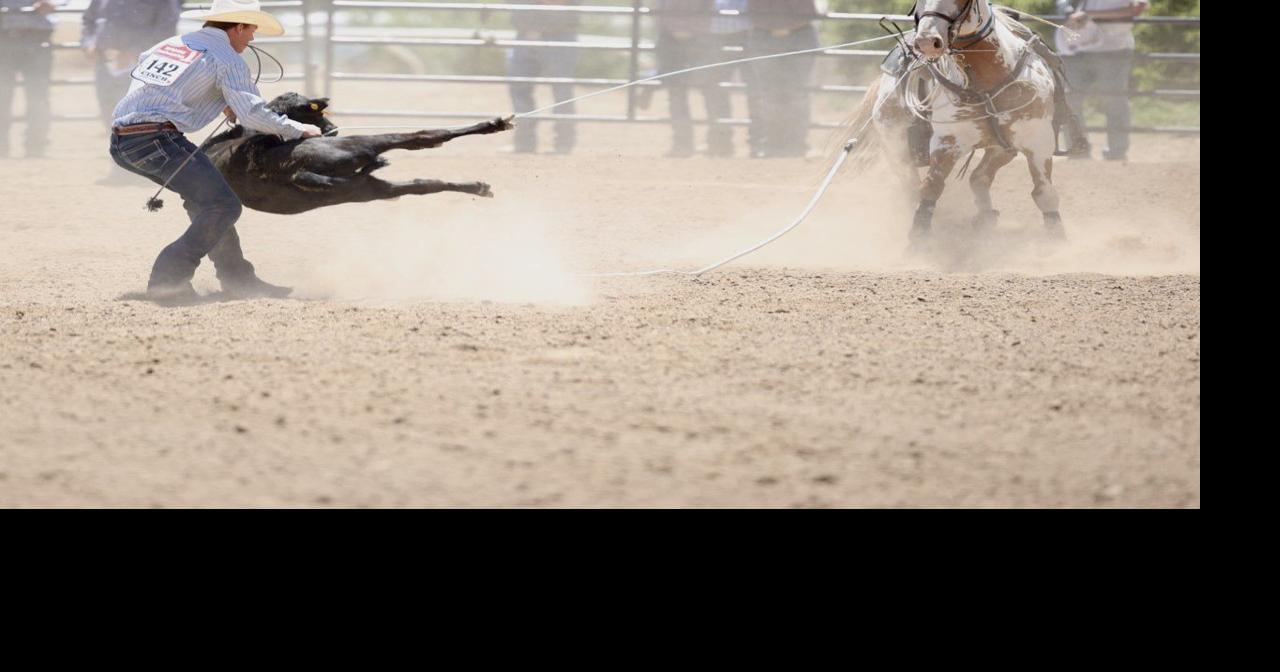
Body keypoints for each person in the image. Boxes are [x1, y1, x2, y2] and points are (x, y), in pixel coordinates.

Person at [110, 0, 322, 302]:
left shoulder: (172, 44)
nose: (252, 39)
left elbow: (158, 85)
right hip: (155, 139)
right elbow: (251, 114)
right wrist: (299, 129)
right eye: (251, 31)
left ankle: (238, 279)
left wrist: (215, 97)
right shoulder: (227, 58)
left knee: (206, 201)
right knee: (223, 206)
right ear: (238, 27)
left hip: (123, 140)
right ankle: (168, 278)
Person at [82, 0, 182, 182]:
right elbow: (89, 20)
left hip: (142, 67)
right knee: (109, 115)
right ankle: (120, 169)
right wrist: (89, 43)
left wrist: (133, 52)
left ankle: (142, 171)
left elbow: (165, 29)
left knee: (138, 119)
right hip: (105, 63)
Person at [1055, 0, 1150, 161]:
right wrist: (1069, 10)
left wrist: (1091, 15)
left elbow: (1138, 7)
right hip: (1077, 48)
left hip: (1114, 48)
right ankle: (1078, 149)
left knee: (1114, 100)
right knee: (1070, 99)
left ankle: (1117, 151)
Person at [653, 0, 732, 157]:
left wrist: (689, 30)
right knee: (677, 95)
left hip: (702, 41)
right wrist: (674, 30)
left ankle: (719, 143)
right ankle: (682, 144)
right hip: (672, 41)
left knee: (711, 93)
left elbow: (707, 11)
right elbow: (660, 12)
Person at [745, 0, 819, 158]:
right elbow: (753, 12)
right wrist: (776, 26)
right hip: (765, 38)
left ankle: (796, 143)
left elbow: (808, 11)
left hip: (798, 37)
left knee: (796, 94)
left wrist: (785, 26)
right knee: (769, 95)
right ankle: (772, 142)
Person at [507, 0, 581, 154]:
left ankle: (563, 143)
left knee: (561, 90)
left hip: (559, 34)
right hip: (527, 35)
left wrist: (536, 28)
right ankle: (525, 143)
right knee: (520, 87)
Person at [0, 0, 60, 159]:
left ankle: (36, 147)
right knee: (2, 96)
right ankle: (1, 148)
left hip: (37, 40)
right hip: (3, 40)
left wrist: (50, 3)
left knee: (38, 97)